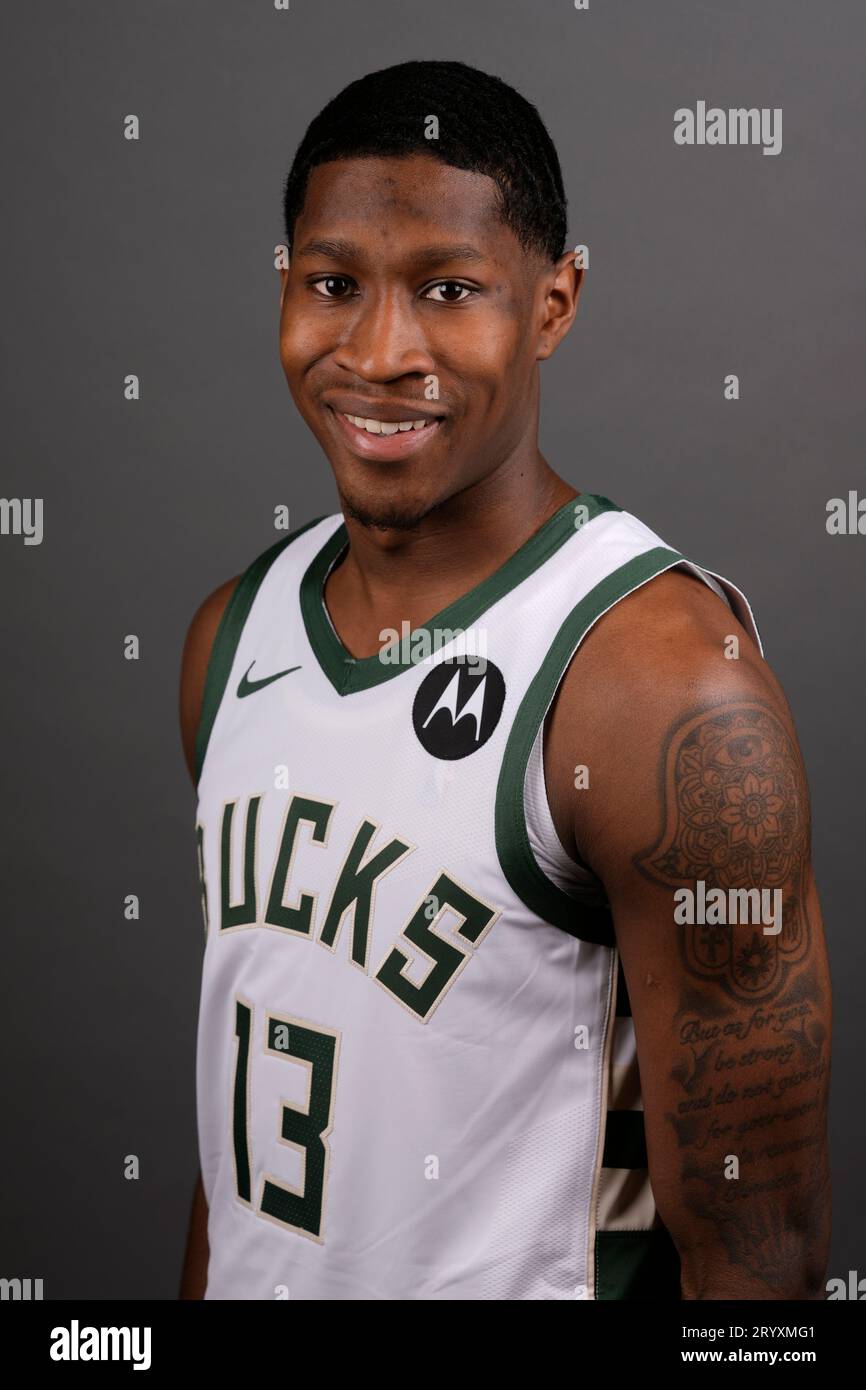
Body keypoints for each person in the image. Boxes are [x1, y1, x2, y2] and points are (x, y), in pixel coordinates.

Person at [178, 59, 831, 1300]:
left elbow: (764, 1257)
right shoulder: (234, 636)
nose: (379, 351)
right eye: (332, 284)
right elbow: (243, 1147)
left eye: (448, 288)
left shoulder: (659, 689)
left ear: (551, 303)